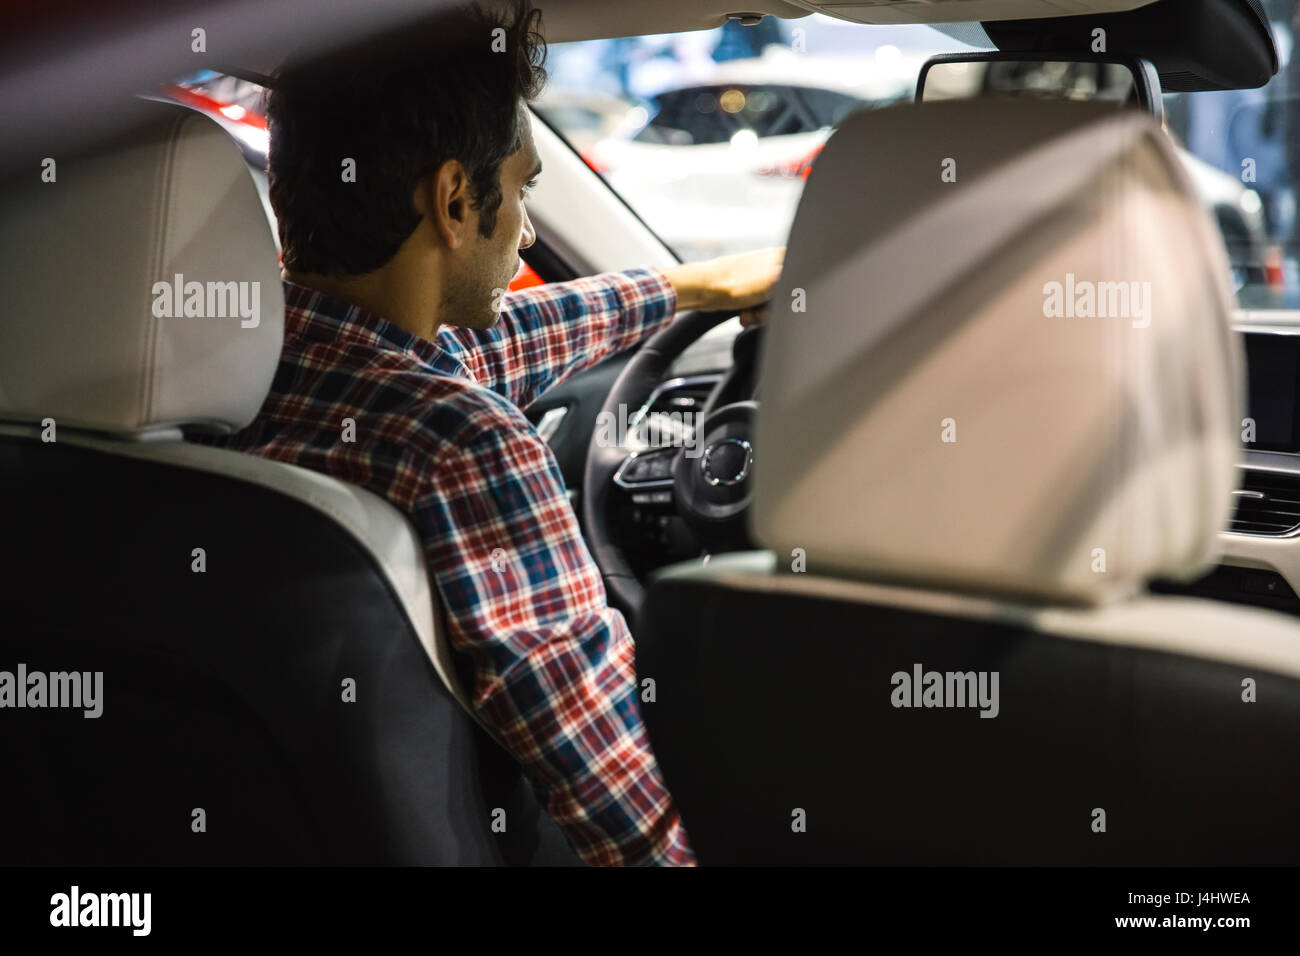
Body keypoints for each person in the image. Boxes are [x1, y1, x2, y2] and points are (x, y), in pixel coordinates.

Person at [203, 0, 783, 865]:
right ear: (451, 200)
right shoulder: (465, 448)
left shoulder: (238, 369)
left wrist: (689, 289)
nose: (526, 226)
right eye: (521, 190)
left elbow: (485, 343)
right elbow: (628, 809)